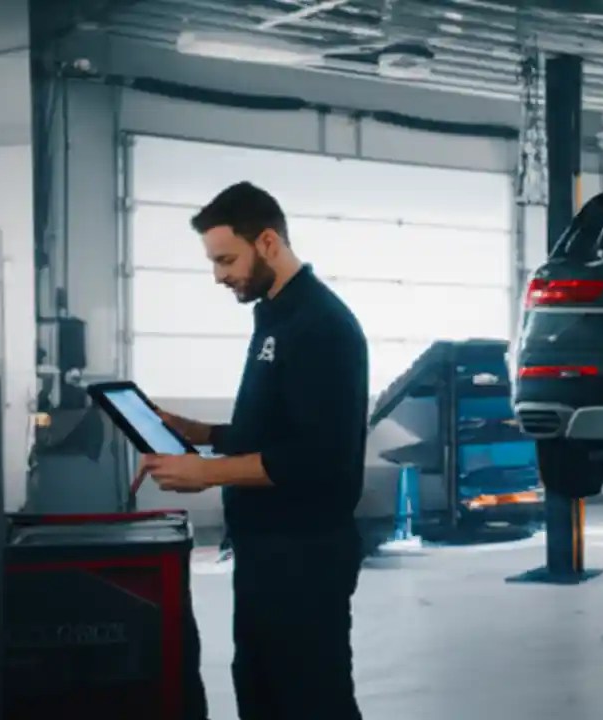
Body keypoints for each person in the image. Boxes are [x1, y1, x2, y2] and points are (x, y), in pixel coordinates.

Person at [137, 181, 369, 720]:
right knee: (261, 693)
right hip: (265, 549)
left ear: (267, 242)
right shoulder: (275, 314)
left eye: (226, 260)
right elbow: (276, 428)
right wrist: (200, 432)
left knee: (312, 701)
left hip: (305, 555)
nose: (219, 276)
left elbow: (317, 458)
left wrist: (208, 473)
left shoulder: (321, 326)